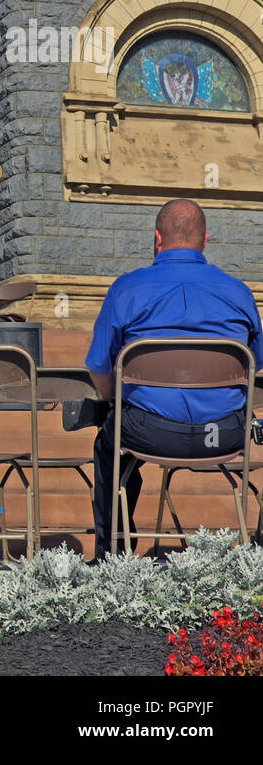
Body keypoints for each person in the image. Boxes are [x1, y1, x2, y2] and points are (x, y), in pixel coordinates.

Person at [85, 199, 262, 557]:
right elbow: (254, 366)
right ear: (206, 240)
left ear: (157, 238)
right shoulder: (239, 292)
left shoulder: (126, 289)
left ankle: (113, 555)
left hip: (148, 431)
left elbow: (99, 369)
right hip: (225, 433)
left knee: (109, 437)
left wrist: (113, 403)